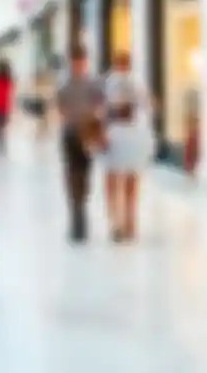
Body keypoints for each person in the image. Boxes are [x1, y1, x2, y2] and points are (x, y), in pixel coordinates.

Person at [101, 52, 154, 243]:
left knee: (126, 179)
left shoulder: (134, 82)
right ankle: (119, 222)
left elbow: (145, 107)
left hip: (128, 135)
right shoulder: (110, 82)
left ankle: (127, 221)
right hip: (118, 136)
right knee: (116, 178)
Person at [56, 46, 103, 243]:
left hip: (86, 135)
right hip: (70, 134)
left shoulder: (92, 84)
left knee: (84, 176)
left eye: (81, 62)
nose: (78, 66)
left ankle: (81, 214)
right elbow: (60, 107)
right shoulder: (65, 85)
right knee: (72, 175)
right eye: (76, 62)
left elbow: (99, 105)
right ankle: (76, 219)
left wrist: (94, 128)